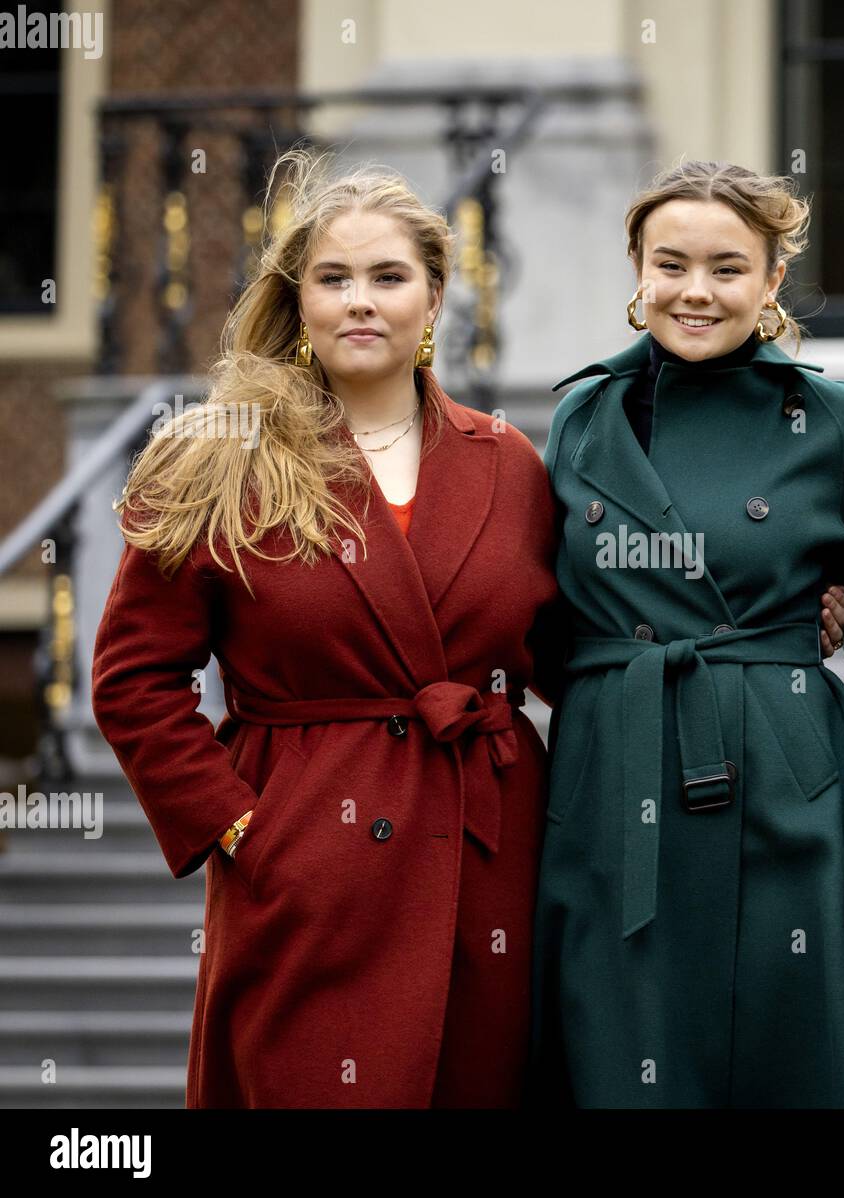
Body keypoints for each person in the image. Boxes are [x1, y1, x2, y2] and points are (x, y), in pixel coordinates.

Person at [91, 149, 560, 1107]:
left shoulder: (509, 462)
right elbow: (133, 679)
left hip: (485, 855)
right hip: (308, 859)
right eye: (333, 278)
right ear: (297, 300)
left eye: (389, 277)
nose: (361, 301)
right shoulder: (217, 458)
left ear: (434, 301)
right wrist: (242, 827)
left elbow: (566, 651)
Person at [530, 160, 844, 1107]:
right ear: (637, 272)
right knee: (620, 1034)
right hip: (615, 760)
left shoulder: (833, 418)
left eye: (728, 269)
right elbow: (538, 605)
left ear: (771, 283)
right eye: (670, 264)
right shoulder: (581, 416)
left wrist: (829, 615)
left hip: (783, 766)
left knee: (786, 1031)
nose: (696, 292)